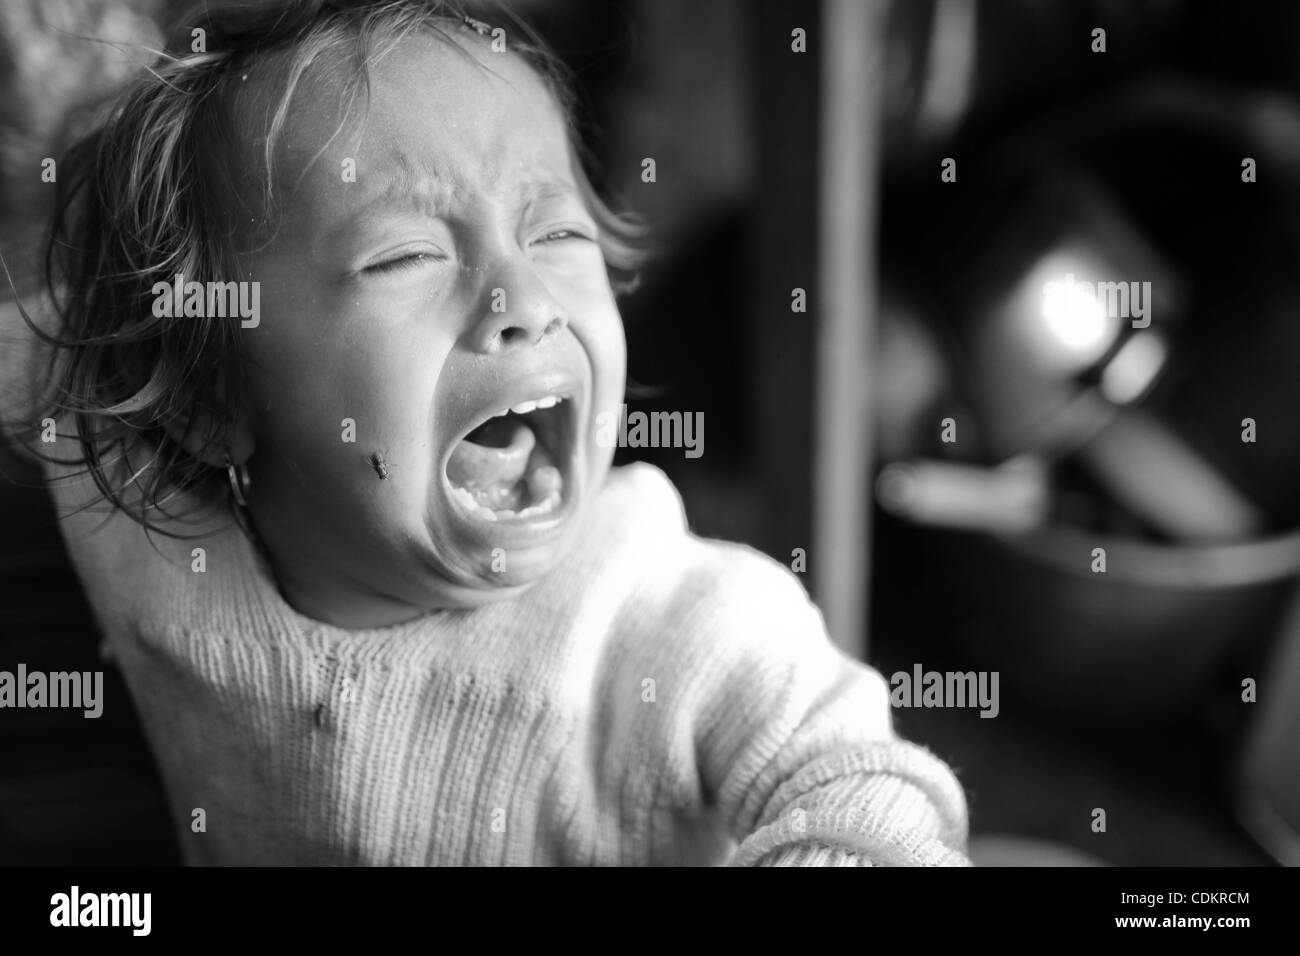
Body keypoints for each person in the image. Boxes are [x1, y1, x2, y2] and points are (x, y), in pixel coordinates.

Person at [0, 0, 970, 866]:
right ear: (207, 404)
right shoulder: (136, 503)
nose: (522, 301)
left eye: (555, 235)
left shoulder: (675, 626)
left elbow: (861, 786)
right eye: (407, 254)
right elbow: (52, 338)